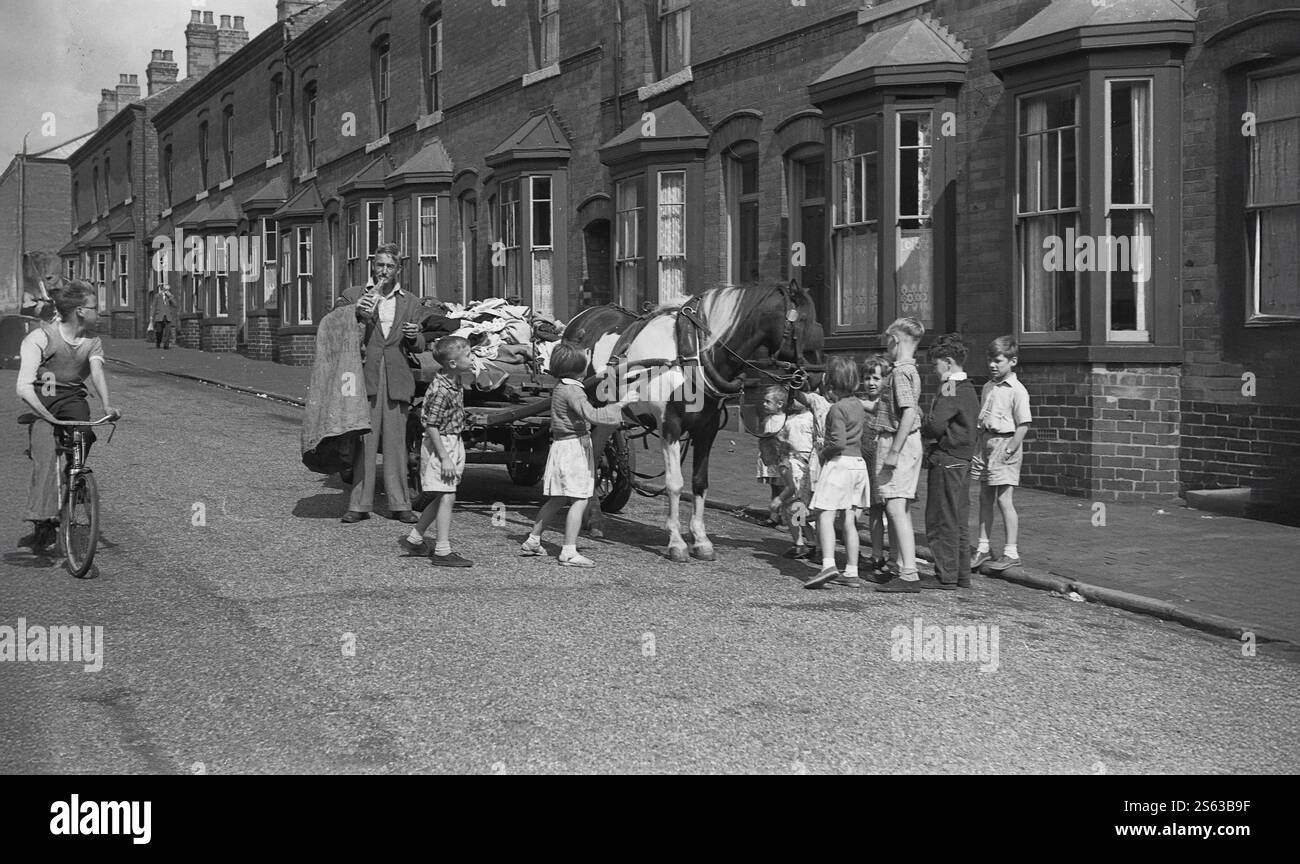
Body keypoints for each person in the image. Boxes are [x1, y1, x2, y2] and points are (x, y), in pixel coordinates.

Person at [14, 278, 119, 551]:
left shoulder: (92, 342)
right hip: (42, 403)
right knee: (45, 456)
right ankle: (42, 523)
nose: (100, 312)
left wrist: (108, 406)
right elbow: (24, 387)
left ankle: (78, 478)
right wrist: (45, 417)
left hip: (72, 398)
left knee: (85, 432)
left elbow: (96, 372)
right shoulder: (41, 337)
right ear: (81, 311)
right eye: (95, 307)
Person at [520, 341, 638, 567]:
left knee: (557, 498)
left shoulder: (562, 386)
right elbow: (592, 414)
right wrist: (622, 403)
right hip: (574, 448)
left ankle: (533, 539)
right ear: (579, 368)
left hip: (561, 446)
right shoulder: (574, 391)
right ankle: (569, 551)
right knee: (580, 498)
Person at [334, 242, 426, 524]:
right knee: (365, 441)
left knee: (397, 443)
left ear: (398, 269)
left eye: (390, 266)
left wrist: (413, 335)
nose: (384, 271)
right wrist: (357, 316)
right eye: (379, 265)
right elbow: (336, 332)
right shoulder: (353, 296)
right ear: (372, 266)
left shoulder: (410, 301)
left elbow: (420, 344)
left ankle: (400, 504)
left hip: (397, 376)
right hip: (365, 376)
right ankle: (359, 504)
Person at [402, 335, 474, 568]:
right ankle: (442, 550)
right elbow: (431, 425)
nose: (472, 358)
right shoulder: (442, 390)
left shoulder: (455, 379)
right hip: (441, 444)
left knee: (445, 493)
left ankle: (414, 538)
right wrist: (444, 457)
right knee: (447, 495)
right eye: (468, 355)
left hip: (452, 440)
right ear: (453, 363)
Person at [870, 317, 926, 593]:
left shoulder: (901, 372)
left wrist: (893, 451)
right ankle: (903, 566)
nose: (886, 346)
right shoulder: (907, 371)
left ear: (895, 341)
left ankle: (909, 574)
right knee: (899, 506)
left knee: (894, 506)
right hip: (904, 442)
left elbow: (908, 413)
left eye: (888, 341)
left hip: (897, 443)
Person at [803, 355, 868, 589]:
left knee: (824, 514)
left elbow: (838, 442)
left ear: (830, 383)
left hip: (839, 463)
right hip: (858, 464)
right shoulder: (858, 405)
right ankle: (851, 571)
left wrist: (823, 453)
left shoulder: (836, 409)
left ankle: (828, 564)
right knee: (849, 519)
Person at [921, 335, 980, 590]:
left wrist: (922, 421)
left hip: (946, 458)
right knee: (958, 518)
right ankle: (961, 574)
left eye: (936, 365)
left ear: (947, 362)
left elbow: (935, 425)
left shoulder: (949, 387)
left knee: (940, 518)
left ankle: (945, 575)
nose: (934, 371)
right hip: (963, 460)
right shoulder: (968, 387)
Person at [971, 336, 1033, 573]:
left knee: (1003, 499)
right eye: (990, 360)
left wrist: (1008, 450)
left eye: (998, 361)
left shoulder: (1017, 390)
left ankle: (1011, 552)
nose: (992, 365)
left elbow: (1023, 425)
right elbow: (982, 421)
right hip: (987, 443)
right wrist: (979, 450)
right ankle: (983, 547)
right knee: (984, 497)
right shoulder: (988, 387)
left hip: (1006, 444)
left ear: (1012, 361)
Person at [857, 354, 892, 577]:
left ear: (886, 381)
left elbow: (877, 408)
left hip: (884, 466)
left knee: (891, 510)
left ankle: (895, 557)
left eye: (877, 378)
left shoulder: (887, 403)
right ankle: (876, 555)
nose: (871, 382)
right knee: (874, 512)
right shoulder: (862, 404)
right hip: (867, 465)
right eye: (868, 377)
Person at [754, 384, 787, 525]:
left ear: (779, 404)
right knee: (774, 487)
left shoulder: (785, 420)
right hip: (770, 458)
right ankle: (774, 516)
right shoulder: (767, 419)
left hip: (781, 459)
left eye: (768, 401)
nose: (764, 404)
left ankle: (787, 520)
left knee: (785, 489)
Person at [150, 284, 179, 349]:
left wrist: (170, 297)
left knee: (168, 332)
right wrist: (151, 316)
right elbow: (154, 306)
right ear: (162, 290)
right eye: (165, 290)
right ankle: (158, 342)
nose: (167, 291)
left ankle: (166, 345)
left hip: (168, 316)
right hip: (159, 316)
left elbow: (175, 305)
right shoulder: (157, 296)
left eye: (168, 290)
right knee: (159, 331)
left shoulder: (170, 297)